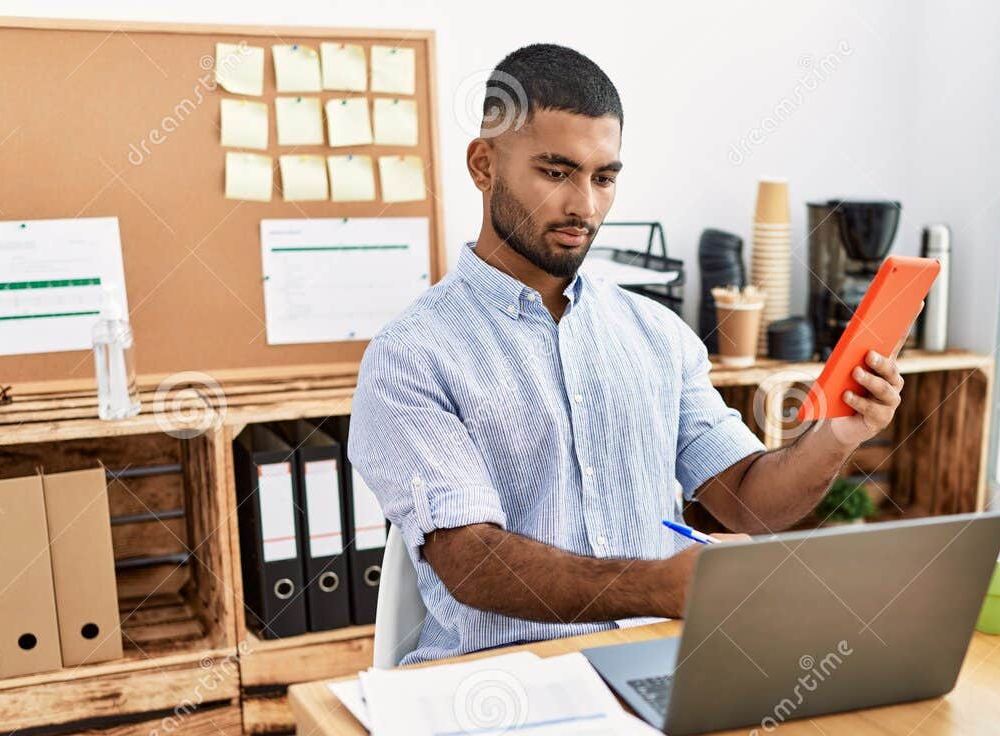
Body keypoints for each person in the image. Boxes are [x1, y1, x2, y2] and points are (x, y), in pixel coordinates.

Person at [349, 43, 904, 664]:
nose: (584, 206)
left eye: (604, 177)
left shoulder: (656, 334)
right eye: (556, 172)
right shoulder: (412, 356)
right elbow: (470, 561)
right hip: (499, 684)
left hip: (661, 663)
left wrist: (837, 435)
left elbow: (749, 499)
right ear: (484, 165)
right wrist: (658, 587)